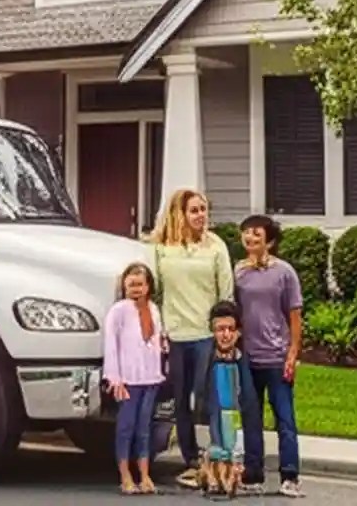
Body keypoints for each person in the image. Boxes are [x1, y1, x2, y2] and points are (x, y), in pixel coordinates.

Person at [147, 188, 234, 489]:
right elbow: (151, 291)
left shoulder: (216, 246)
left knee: (208, 398)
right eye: (194, 210)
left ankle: (220, 455)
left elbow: (226, 292)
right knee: (180, 400)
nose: (201, 216)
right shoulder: (160, 248)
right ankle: (191, 459)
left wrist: (224, 332)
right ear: (179, 214)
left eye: (203, 210)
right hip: (175, 334)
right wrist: (159, 330)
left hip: (205, 334)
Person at [233, 214, 306, 498]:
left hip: (276, 356)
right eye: (246, 233)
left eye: (256, 234)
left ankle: (290, 475)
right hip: (248, 357)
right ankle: (253, 474)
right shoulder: (239, 271)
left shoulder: (285, 272)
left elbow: (295, 315)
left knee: (284, 418)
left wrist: (292, 353)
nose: (250, 238)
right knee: (251, 416)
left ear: (270, 241)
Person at [102, 261, 168, 495]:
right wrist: (114, 377)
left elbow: (157, 340)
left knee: (144, 428)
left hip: (150, 378)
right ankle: (125, 475)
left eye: (140, 284)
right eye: (131, 285)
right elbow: (111, 344)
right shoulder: (118, 310)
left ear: (148, 286)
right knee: (126, 427)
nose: (136, 289)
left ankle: (145, 474)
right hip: (128, 380)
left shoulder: (153, 309)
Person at [192, 300, 262, 498]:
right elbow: (200, 387)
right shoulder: (208, 358)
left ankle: (230, 478)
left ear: (238, 332)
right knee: (216, 443)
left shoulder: (241, 358)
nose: (226, 335)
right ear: (213, 331)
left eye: (231, 329)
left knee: (232, 444)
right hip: (214, 410)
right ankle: (213, 477)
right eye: (220, 329)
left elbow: (247, 391)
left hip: (234, 410)